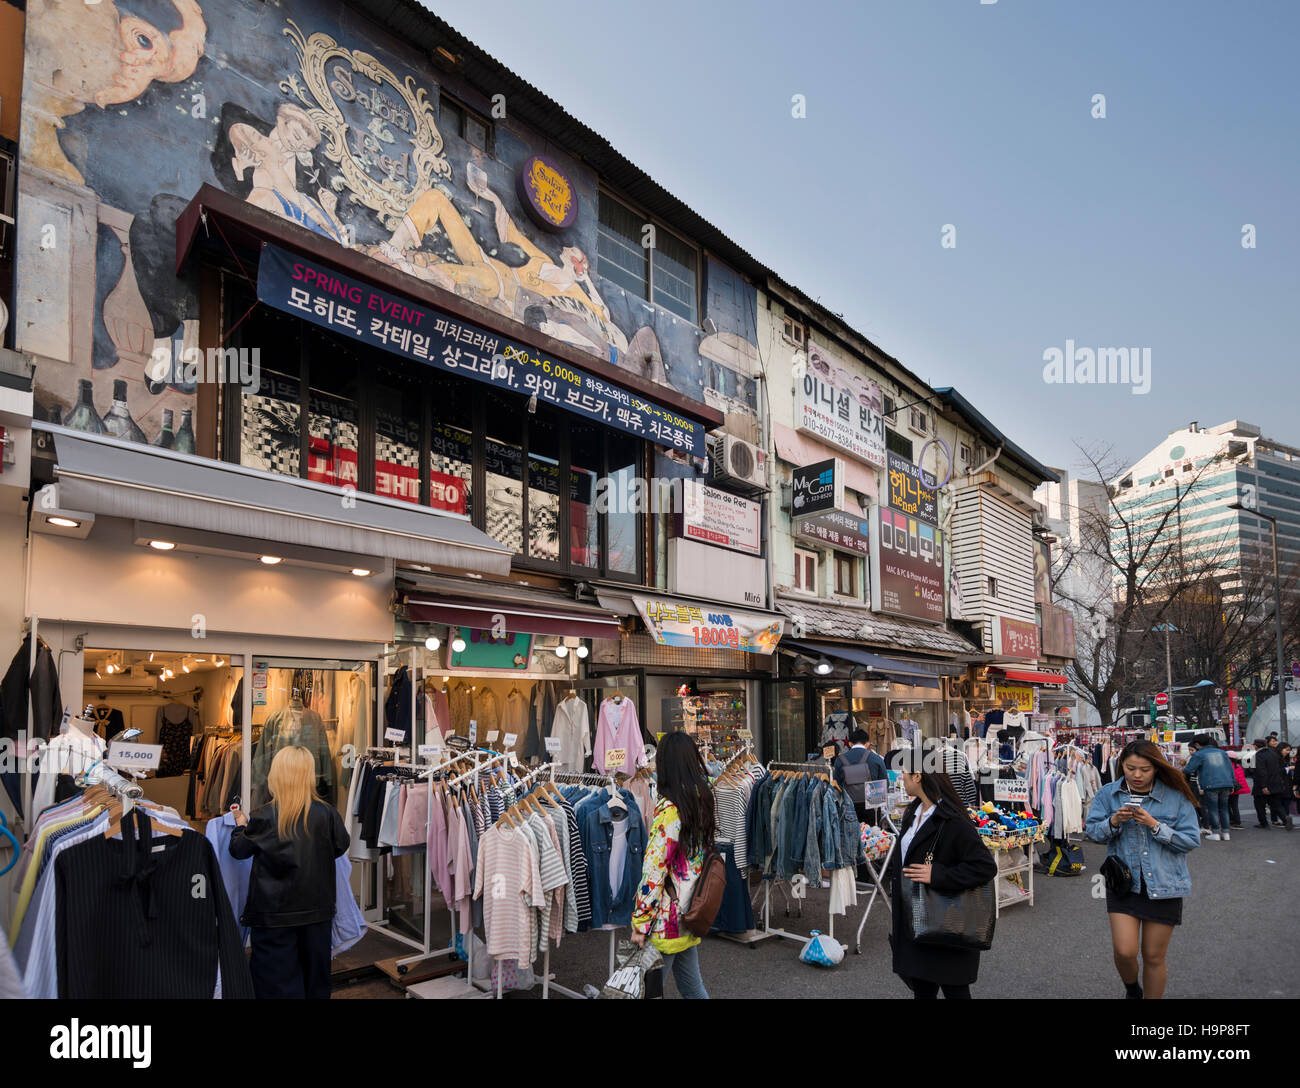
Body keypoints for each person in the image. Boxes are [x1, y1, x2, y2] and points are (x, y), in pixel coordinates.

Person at [230, 745, 349, 999]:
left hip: (273, 916)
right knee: (315, 983)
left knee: (276, 986)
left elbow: (238, 851)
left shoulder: (263, 816)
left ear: (277, 775)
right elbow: (340, 846)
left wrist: (240, 827)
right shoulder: (326, 814)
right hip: (317, 913)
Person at [1085, 740, 1200, 1000]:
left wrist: (1155, 825)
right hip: (1123, 883)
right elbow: (1092, 832)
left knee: (1153, 956)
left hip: (1165, 884)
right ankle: (1131, 989)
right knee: (1124, 951)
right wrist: (1113, 821)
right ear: (1121, 765)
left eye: (1145, 769)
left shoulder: (1175, 796)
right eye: (1130, 768)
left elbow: (1191, 840)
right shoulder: (1108, 794)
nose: (1136, 775)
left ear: (1157, 768)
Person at [890, 746, 997, 999]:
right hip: (915, 920)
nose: (901, 777)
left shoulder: (952, 819)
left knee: (955, 991)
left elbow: (984, 866)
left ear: (918, 776)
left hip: (946, 922)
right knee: (922, 991)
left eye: (905, 772)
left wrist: (937, 875)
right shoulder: (913, 812)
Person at [629, 731, 715, 999]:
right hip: (690, 908)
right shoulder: (702, 798)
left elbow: (654, 871)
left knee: (648, 990)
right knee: (691, 985)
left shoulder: (670, 811)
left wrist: (641, 922)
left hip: (666, 919)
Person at [1184, 736, 1235, 840]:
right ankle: (1226, 833)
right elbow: (1230, 769)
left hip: (1210, 784)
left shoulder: (1199, 754)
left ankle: (1216, 833)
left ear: (1197, 744)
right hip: (1226, 783)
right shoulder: (1222, 752)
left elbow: (1189, 770)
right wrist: (1233, 783)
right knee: (1224, 808)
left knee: (1213, 809)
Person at [833, 729, 888, 822]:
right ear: (867, 744)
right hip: (872, 808)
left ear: (850, 744)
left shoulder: (840, 760)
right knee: (872, 835)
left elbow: (836, 785)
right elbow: (885, 784)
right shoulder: (877, 759)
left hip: (848, 807)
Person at [1252, 739, 1293, 830]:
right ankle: (1285, 819)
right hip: (1275, 783)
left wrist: (1264, 786)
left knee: (1260, 805)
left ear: (1255, 746)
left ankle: (1264, 823)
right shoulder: (1273, 753)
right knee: (1276, 804)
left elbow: (1261, 771)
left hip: (1263, 785)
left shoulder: (1258, 755)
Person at [1228, 753, 1248, 830]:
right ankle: (1237, 821)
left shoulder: (1229, 766)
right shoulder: (1238, 766)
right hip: (1237, 789)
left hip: (1231, 788)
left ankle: (1235, 821)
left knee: (1228, 806)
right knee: (1234, 806)